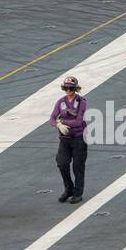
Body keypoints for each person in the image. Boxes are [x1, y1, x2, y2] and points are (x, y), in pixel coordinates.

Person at [49, 74, 88, 203]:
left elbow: (78, 121)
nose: (68, 91)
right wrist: (58, 124)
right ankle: (69, 188)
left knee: (78, 167)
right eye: (66, 88)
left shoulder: (81, 102)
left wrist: (63, 120)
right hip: (65, 139)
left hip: (79, 139)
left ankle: (78, 193)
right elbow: (52, 118)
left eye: (71, 89)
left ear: (76, 89)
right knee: (62, 163)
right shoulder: (60, 102)